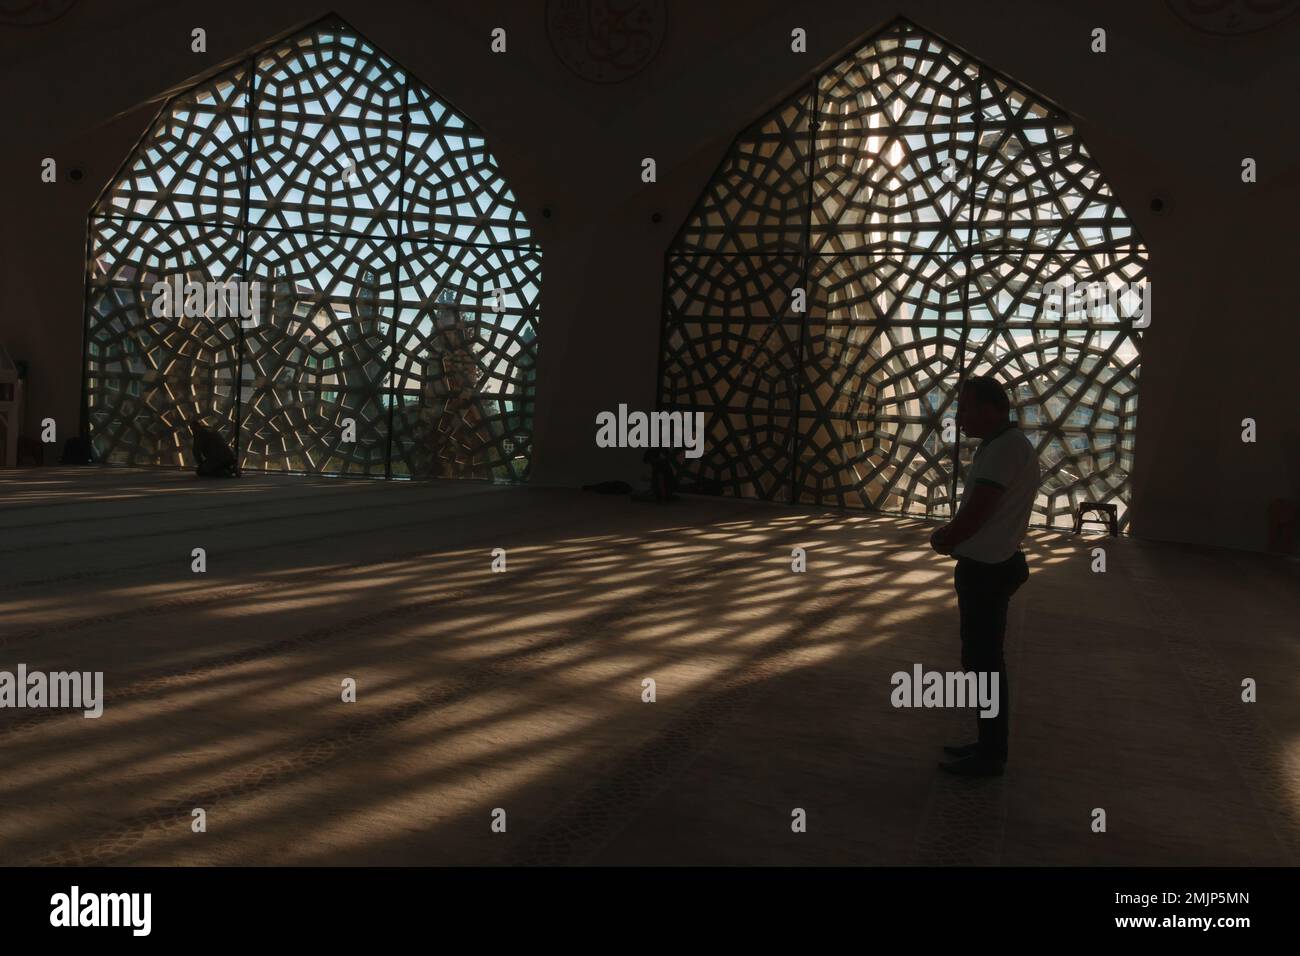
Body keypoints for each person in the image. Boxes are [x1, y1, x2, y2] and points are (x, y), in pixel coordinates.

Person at [929, 375, 1040, 777]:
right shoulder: (1007, 446)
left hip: (986, 570)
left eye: (966, 408)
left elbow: (979, 512)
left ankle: (992, 754)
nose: (959, 417)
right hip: (996, 563)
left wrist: (944, 538)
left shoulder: (1003, 451)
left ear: (991, 409)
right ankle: (988, 744)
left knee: (984, 663)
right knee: (982, 660)